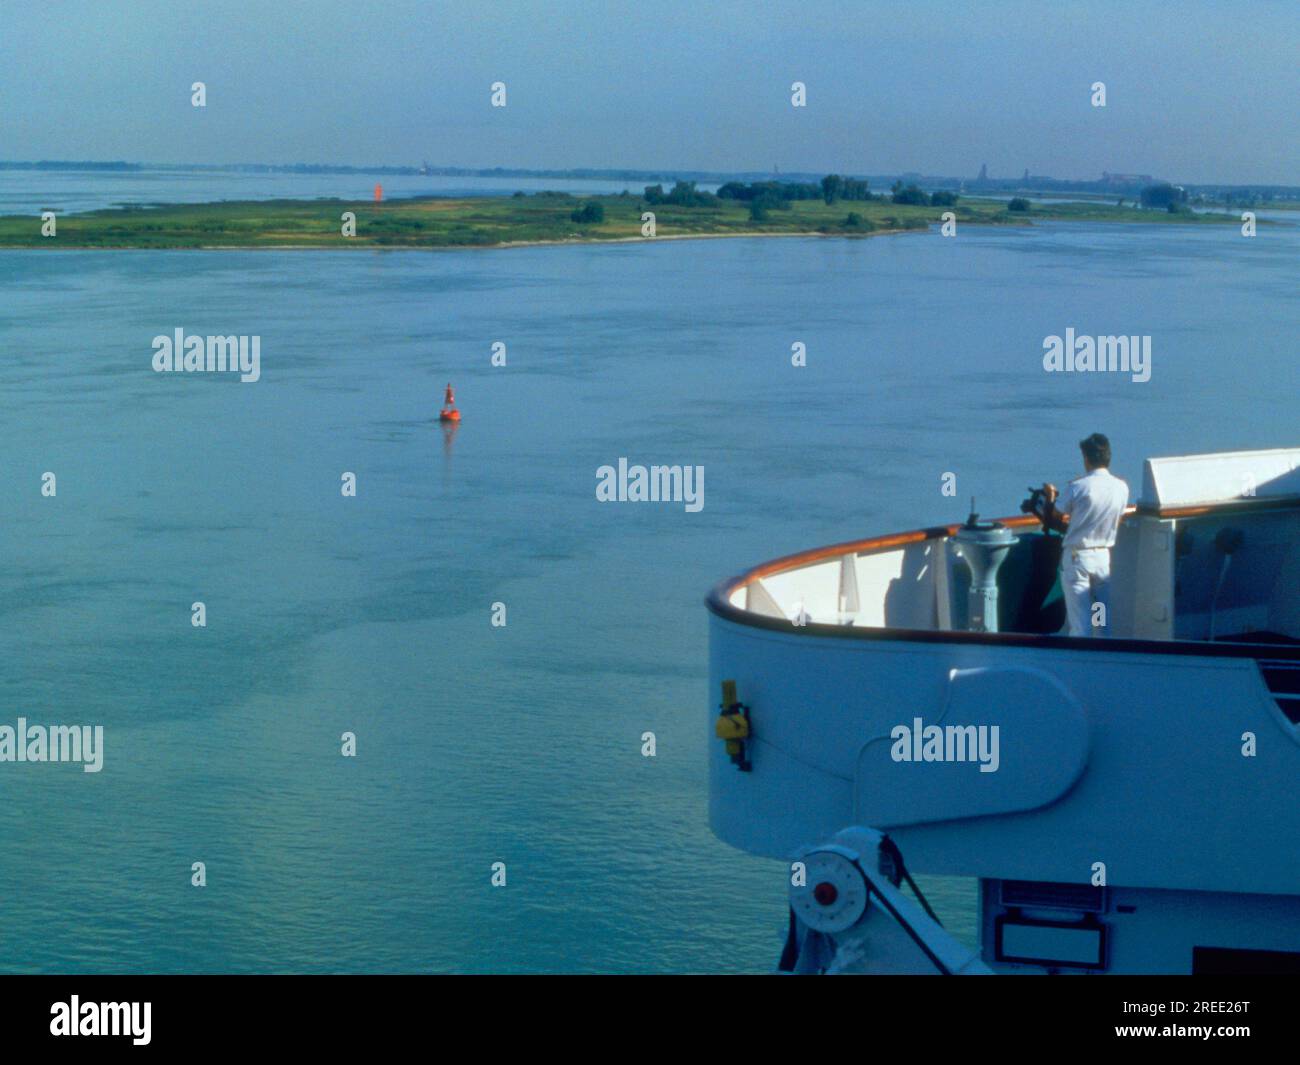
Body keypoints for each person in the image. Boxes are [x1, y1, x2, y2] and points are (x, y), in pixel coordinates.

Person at [1041, 433, 1129, 637]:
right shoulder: (1121, 488)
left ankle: (1079, 664)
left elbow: (1054, 517)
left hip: (1078, 559)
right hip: (1102, 559)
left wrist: (1050, 496)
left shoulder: (1078, 487)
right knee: (1101, 621)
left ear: (1086, 458)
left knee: (1081, 624)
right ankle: (1103, 660)